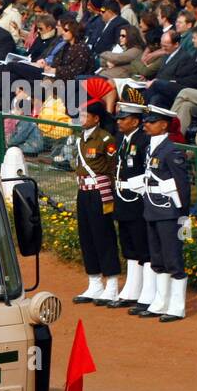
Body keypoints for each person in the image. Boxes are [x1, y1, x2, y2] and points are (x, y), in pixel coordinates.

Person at [137, 109, 192, 321]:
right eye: (146, 121)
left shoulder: (171, 151)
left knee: (173, 259)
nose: (146, 125)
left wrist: (183, 215)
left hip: (169, 212)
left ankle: (177, 306)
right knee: (158, 259)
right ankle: (161, 301)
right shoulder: (152, 148)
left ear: (164, 125)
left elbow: (182, 185)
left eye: (152, 122)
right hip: (152, 209)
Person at [71, 101, 121, 303]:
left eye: (85, 115)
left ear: (96, 118)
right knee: (87, 235)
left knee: (104, 235)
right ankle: (94, 282)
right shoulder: (80, 139)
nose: (81, 118)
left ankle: (112, 283)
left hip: (100, 191)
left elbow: (111, 167)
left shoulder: (105, 139)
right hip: (83, 190)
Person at [107, 97, 151, 308]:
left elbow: (148, 171)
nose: (119, 122)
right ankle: (133, 288)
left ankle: (145, 291)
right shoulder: (122, 138)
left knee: (141, 243)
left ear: (135, 121)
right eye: (119, 118)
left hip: (138, 199)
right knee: (128, 243)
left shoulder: (143, 140)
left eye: (124, 119)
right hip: (123, 199)